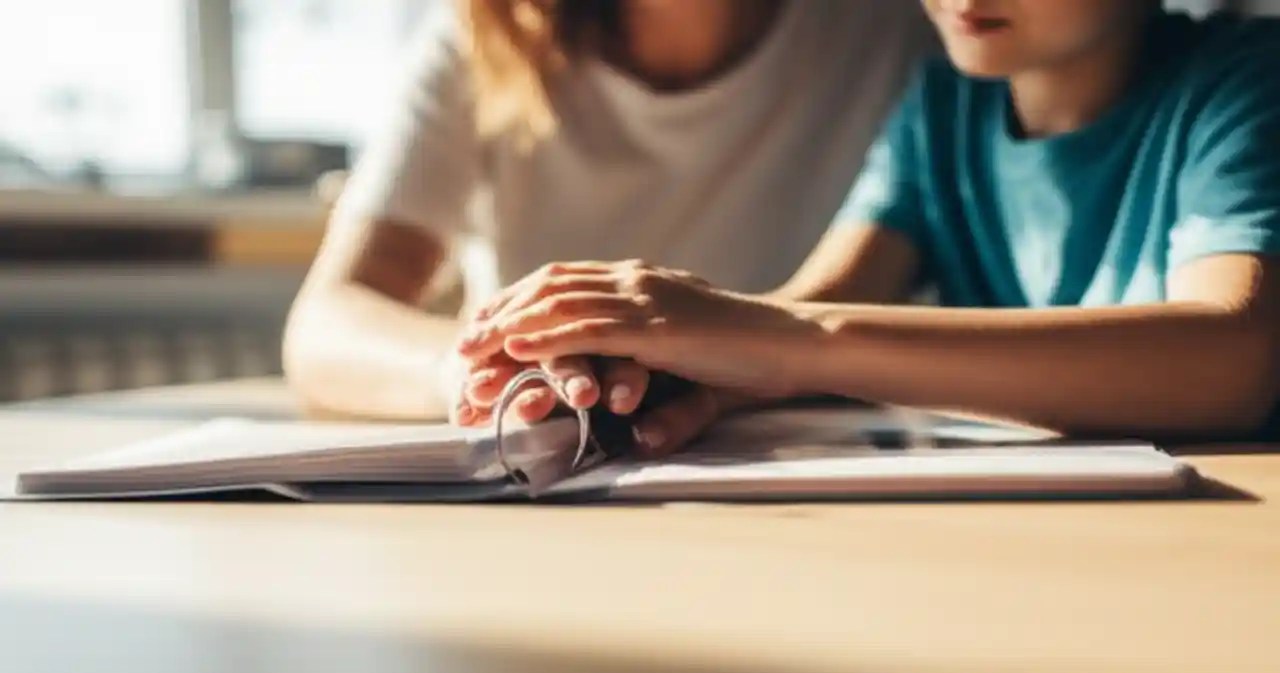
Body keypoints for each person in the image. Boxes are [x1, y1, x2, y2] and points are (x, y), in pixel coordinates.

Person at [456, 0, 1280, 451]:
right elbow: (816, 306)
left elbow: (1233, 362)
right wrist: (661, 370)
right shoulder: (940, 112)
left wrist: (784, 339)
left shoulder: (1246, 82)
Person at [283, 0, 934, 421]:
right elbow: (326, 324)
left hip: (810, 490)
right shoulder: (486, 33)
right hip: (543, 474)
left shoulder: (915, 29)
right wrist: (473, 368)